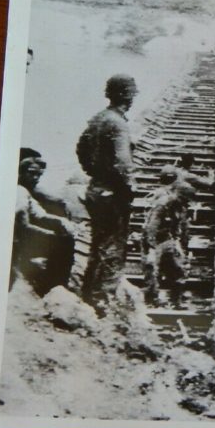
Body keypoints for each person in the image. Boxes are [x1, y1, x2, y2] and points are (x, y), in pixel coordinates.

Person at [76, 74, 139, 315]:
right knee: (113, 247)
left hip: (96, 189)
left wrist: (93, 172)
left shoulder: (98, 119)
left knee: (97, 244)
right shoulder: (118, 123)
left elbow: (81, 148)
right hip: (112, 195)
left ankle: (88, 295)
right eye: (132, 94)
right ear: (126, 95)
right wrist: (128, 187)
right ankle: (104, 303)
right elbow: (123, 163)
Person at [12, 148, 75, 295]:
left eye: (38, 174)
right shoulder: (19, 191)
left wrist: (62, 222)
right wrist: (55, 236)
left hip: (20, 236)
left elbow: (40, 215)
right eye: (31, 173)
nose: (36, 178)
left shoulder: (26, 191)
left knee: (64, 237)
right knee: (63, 243)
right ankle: (53, 288)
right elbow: (23, 226)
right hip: (12, 240)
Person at [142, 169, 192, 306]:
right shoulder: (163, 204)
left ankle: (177, 299)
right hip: (155, 239)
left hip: (167, 237)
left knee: (178, 267)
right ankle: (151, 300)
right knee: (152, 270)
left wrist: (177, 242)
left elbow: (178, 225)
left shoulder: (179, 205)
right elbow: (151, 227)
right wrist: (151, 248)